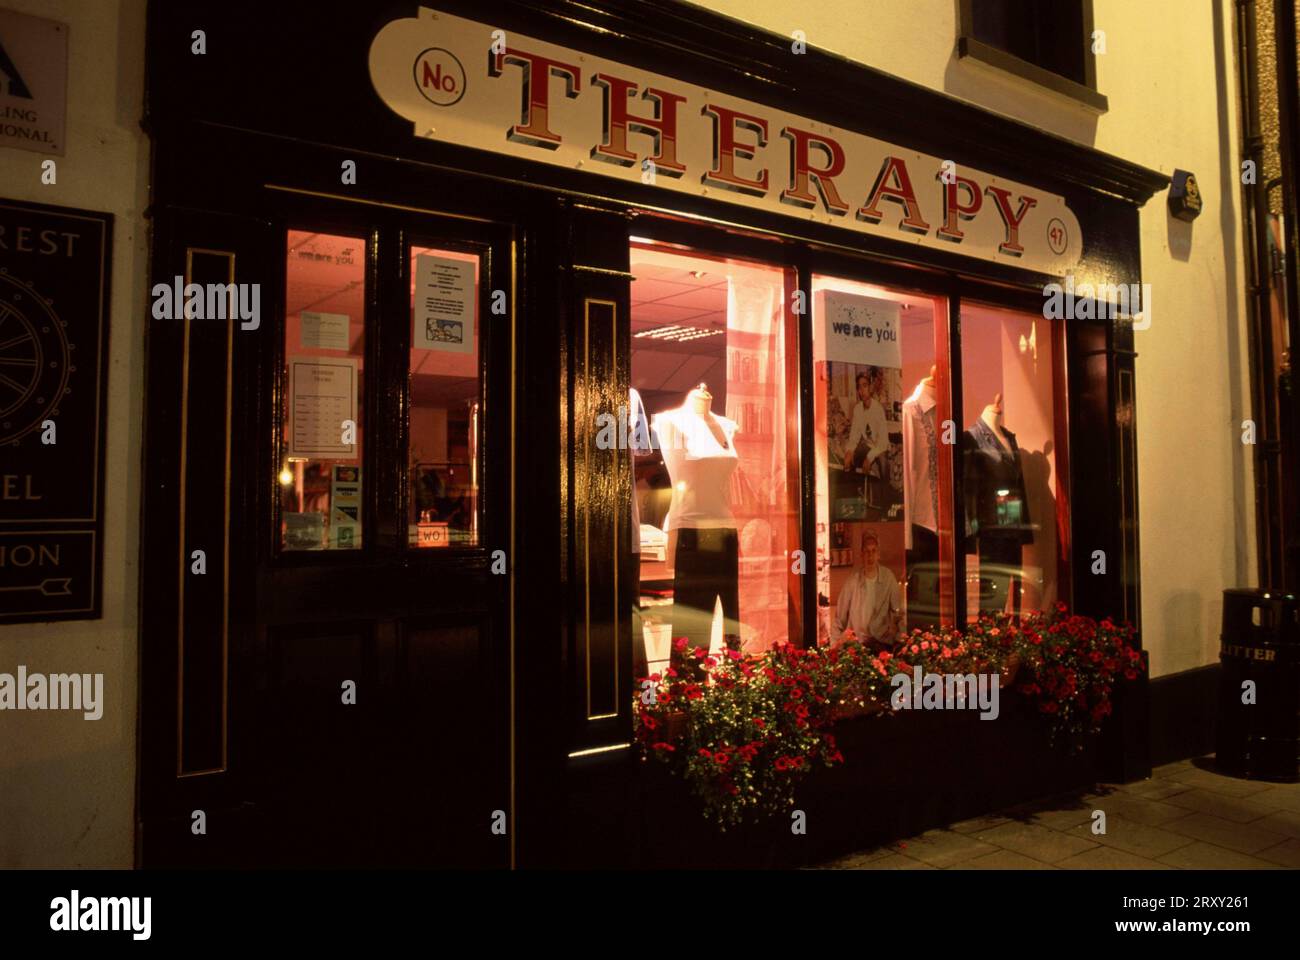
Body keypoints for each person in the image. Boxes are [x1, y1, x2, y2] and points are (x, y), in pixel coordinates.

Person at [831, 530, 901, 647]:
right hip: (857, 644)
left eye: (873, 551)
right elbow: (839, 619)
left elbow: (898, 614)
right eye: (867, 551)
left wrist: (900, 640)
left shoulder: (888, 578)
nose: (870, 555)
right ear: (861, 555)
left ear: (878, 554)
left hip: (881, 642)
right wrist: (834, 647)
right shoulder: (852, 581)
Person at [843, 367, 888, 477]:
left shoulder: (878, 409)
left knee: (883, 462)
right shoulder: (857, 409)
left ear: (871, 388)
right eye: (859, 387)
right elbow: (854, 436)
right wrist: (849, 451)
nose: (861, 391)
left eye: (865, 386)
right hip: (867, 445)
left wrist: (869, 457)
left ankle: (884, 492)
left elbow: (883, 442)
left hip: (880, 447)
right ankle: (856, 491)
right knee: (851, 458)